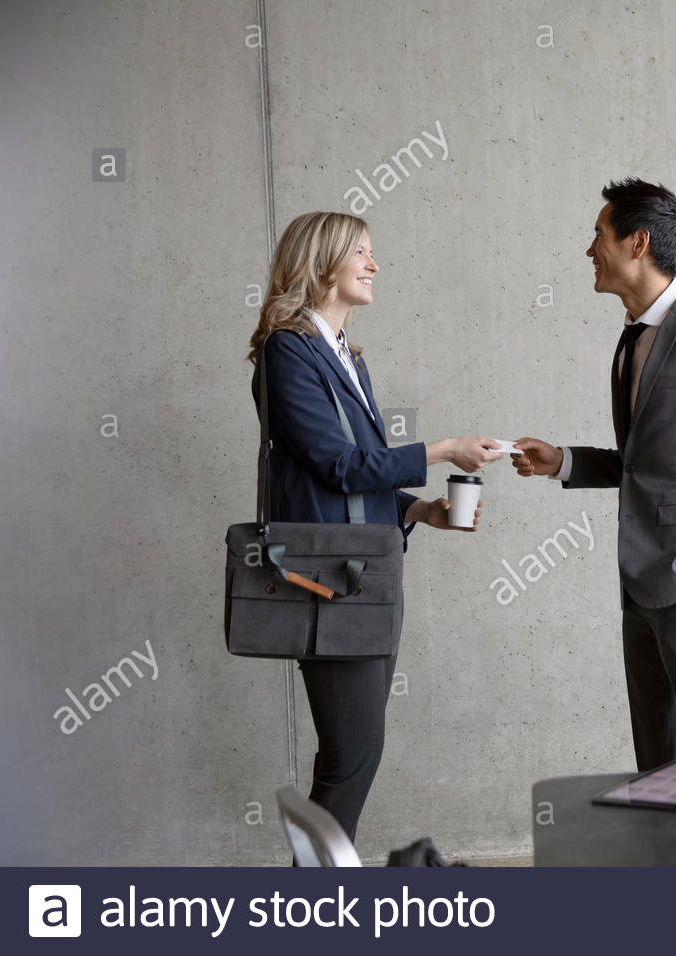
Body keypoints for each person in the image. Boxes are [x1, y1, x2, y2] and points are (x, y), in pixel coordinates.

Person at [247, 211, 501, 843]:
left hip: (366, 574)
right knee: (351, 757)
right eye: (361, 251)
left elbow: (360, 480)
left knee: (351, 756)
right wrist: (442, 450)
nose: (374, 263)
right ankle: (318, 905)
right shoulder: (287, 350)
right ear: (323, 262)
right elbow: (336, 465)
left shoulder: (348, 359)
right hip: (327, 581)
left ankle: (317, 897)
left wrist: (420, 510)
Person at [512, 179, 676, 770]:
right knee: (662, 769)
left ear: (637, 243)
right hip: (639, 587)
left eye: (598, 235)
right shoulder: (630, 340)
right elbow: (644, 462)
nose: (589, 250)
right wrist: (563, 461)